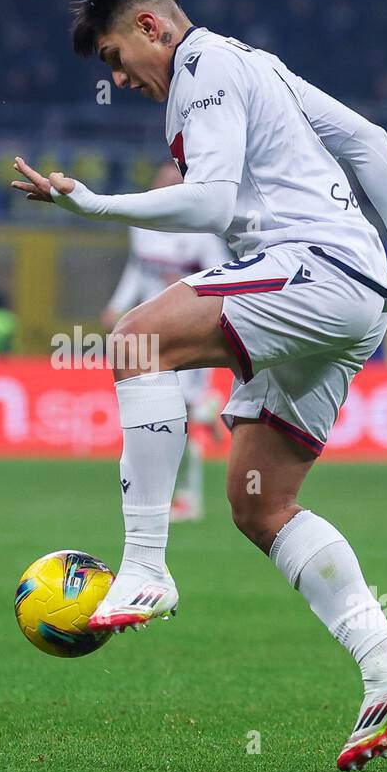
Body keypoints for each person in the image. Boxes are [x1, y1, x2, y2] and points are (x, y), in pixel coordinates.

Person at [11, 0, 387, 771]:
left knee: (136, 340)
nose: (118, 77)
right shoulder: (257, 64)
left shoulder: (203, 65)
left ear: (150, 27)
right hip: (357, 297)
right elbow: (368, 139)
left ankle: (145, 566)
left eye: (115, 56)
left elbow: (211, 203)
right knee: (262, 503)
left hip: (312, 268)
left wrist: (92, 203)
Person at [102, 164, 230, 521]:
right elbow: (136, 268)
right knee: (166, 409)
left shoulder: (202, 234)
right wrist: (117, 305)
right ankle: (206, 417)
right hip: (147, 329)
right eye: (163, 182)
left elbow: (224, 277)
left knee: (181, 410)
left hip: (190, 329)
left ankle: (188, 496)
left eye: (176, 183)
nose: (168, 188)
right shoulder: (142, 228)